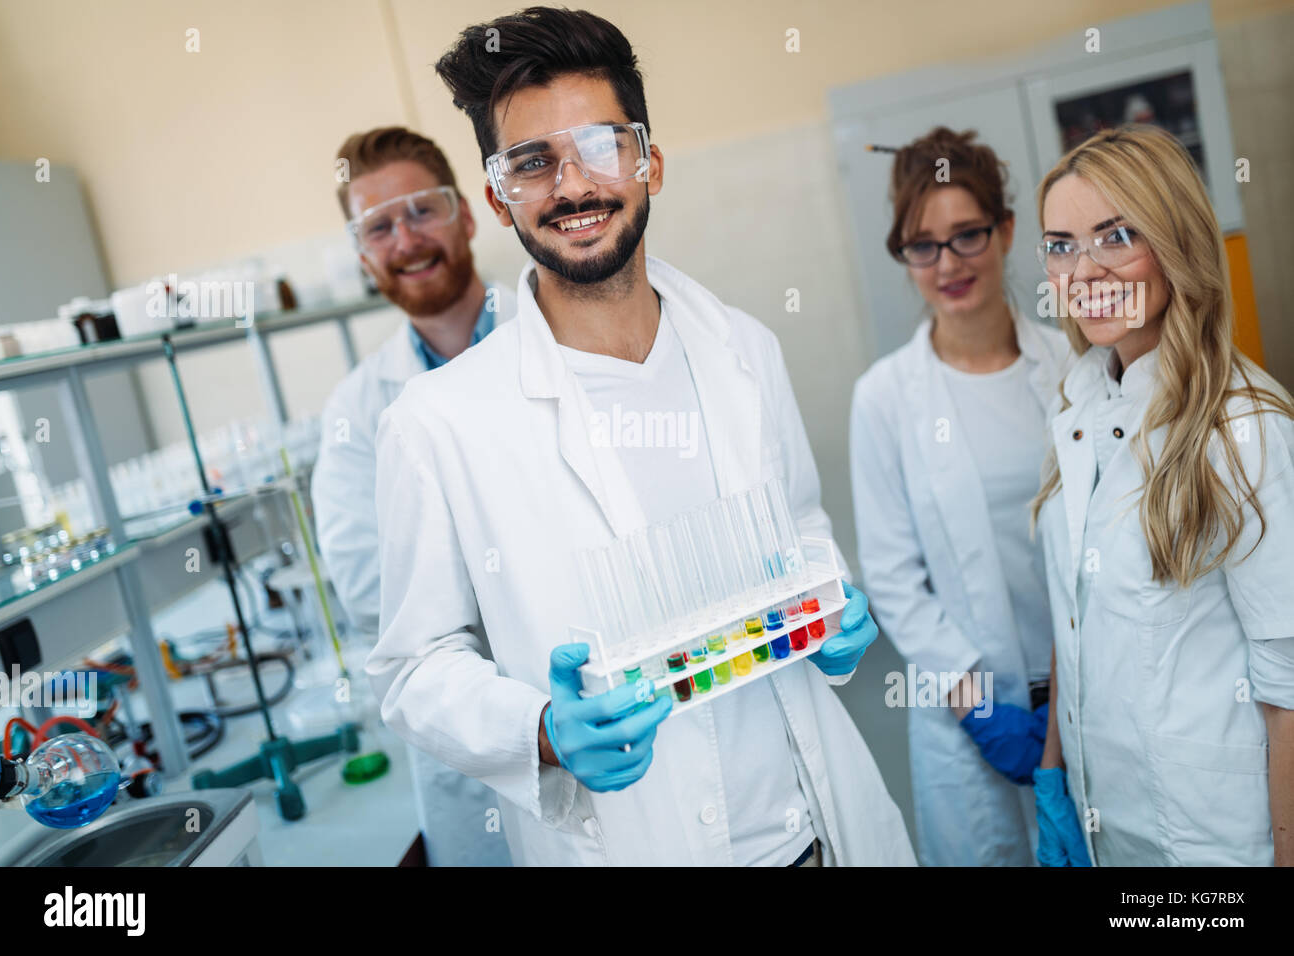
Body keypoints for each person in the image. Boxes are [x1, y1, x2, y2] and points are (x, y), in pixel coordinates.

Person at [365, 6, 915, 867]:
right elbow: (412, 666)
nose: (573, 185)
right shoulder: (438, 424)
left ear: (649, 159)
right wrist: (540, 730)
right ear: (497, 196)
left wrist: (829, 596)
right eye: (533, 162)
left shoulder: (745, 351)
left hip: (813, 834)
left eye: (601, 145)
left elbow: (801, 532)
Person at [1031, 123, 1294, 866]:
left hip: (1211, 847)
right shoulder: (1079, 403)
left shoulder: (1242, 430)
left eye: (1117, 236)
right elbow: (1074, 613)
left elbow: (1290, 687)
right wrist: (1054, 773)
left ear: (1176, 243)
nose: (1083, 271)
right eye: (1060, 244)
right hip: (1104, 827)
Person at [849, 128, 1072, 866]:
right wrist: (975, 703)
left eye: (967, 235)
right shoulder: (885, 397)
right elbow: (890, 574)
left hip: (1091, 688)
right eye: (923, 245)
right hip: (973, 711)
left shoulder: (1074, 364)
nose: (948, 264)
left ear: (1006, 231)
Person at [311, 127, 516, 866]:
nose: (406, 239)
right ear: (364, 256)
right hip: (472, 743)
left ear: (466, 213)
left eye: (421, 211)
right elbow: (376, 598)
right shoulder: (356, 414)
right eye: (379, 226)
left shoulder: (560, 331)